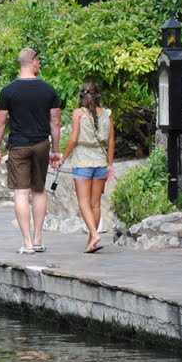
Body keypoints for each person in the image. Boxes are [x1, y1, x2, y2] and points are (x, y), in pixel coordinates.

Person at [0, 48, 62, 254]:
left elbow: (0, 124)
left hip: (18, 146)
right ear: (33, 62)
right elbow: (55, 122)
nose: (39, 64)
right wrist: (56, 150)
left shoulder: (8, 91)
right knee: (39, 190)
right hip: (41, 144)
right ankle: (38, 239)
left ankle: (28, 243)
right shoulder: (49, 90)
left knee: (21, 192)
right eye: (38, 61)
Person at [61, 81, 114, 253]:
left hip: (82, 161)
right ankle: (92, 241)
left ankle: (94, 234)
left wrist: (63, 156)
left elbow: (74, 139)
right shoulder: (107, 114)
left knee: (83, 202)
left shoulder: (79, 113)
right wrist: (110, 163)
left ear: (82, 96)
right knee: (95, 204)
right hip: (100, 161)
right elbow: (111, 142)